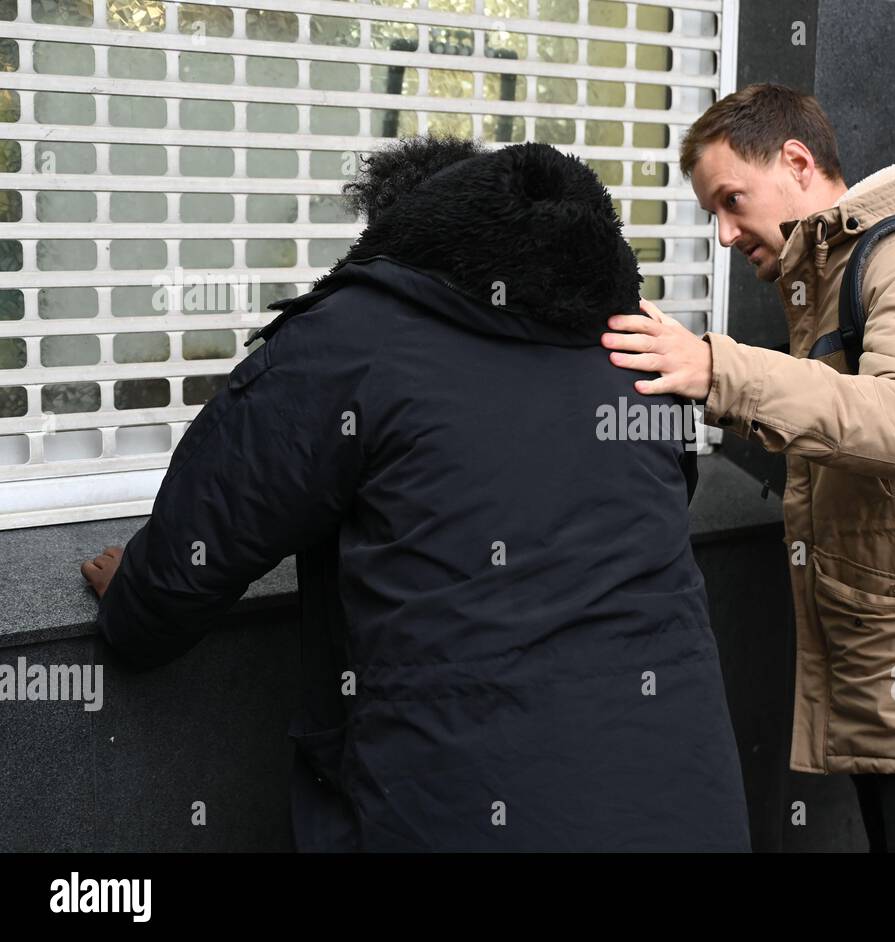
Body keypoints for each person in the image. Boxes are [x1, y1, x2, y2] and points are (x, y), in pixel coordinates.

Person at [80, 136, 751, 853]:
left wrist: (133, 606)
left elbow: (206, 536)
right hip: (686, 798)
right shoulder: (631, 347)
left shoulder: (350, 339)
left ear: (401, 230)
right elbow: (658, 497)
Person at [601, 83, 895, 852]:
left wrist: (718, 370)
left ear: (795, 160)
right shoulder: (841, 265)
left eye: (730, 200)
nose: (722, 234)